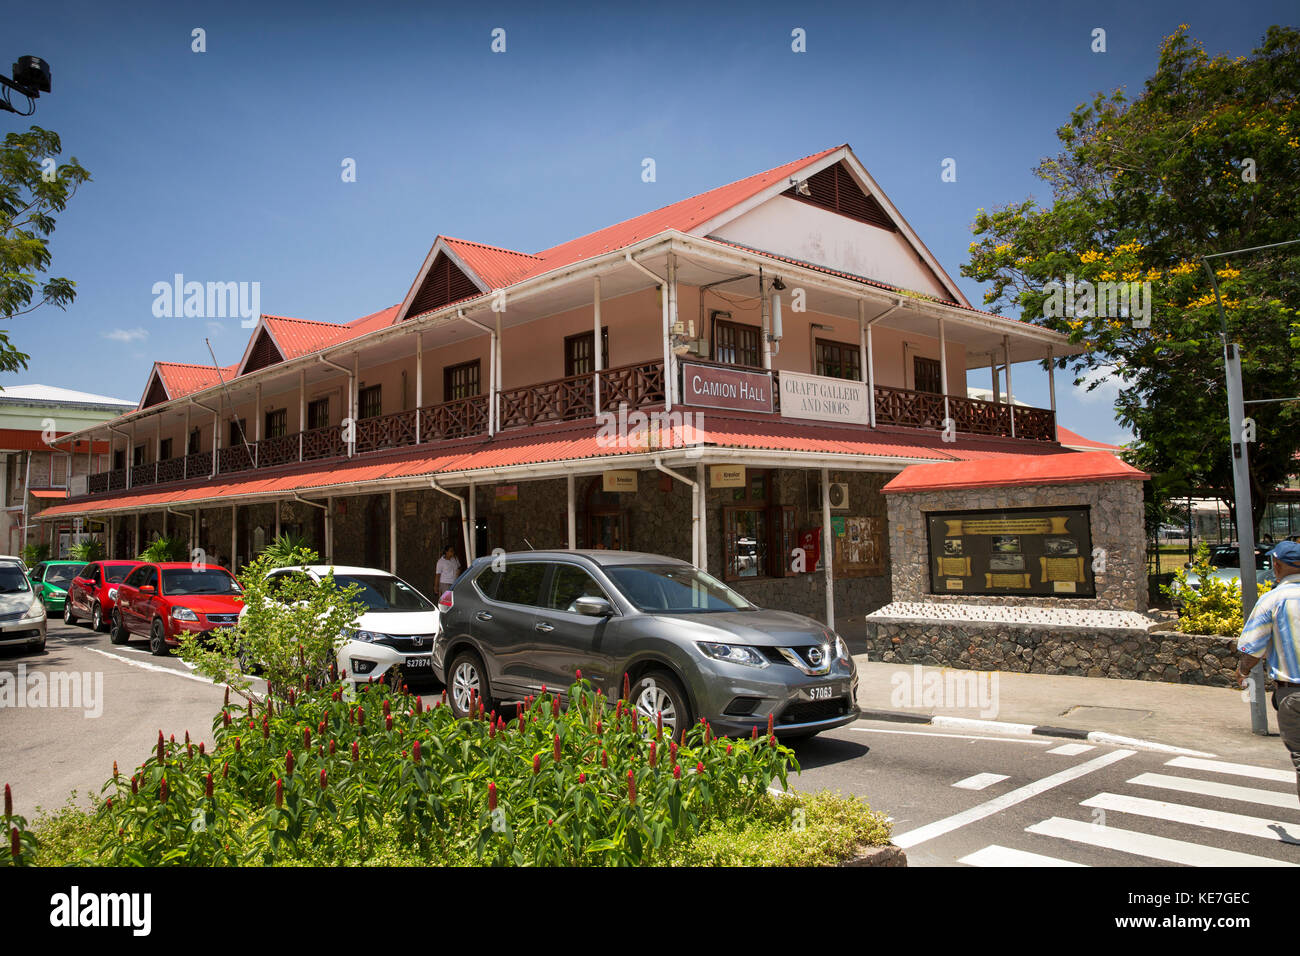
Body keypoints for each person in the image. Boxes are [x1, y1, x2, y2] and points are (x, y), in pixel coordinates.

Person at [1237, 539, 1300, 798]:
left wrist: (1242, 671)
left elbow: (1252, 648)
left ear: (1276, 566)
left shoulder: (1273, 600)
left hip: (1293, 695)